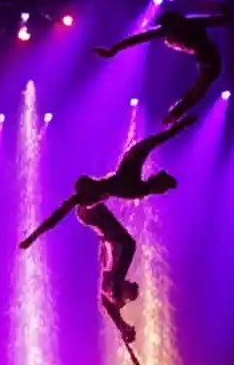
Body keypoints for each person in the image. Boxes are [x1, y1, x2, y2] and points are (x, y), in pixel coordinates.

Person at [18, 116, 195, 344]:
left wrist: (177, 129)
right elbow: (55, 218)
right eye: (160, 189)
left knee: (123, 247)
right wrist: (32, 238)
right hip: (91, 216)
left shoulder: (127, 177)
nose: (157, 193)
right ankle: (117, 293)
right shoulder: (93, 196)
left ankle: (116, 299)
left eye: (160, 189)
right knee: (127, 244)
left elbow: (147, 145)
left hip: (100, 218)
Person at [94, 3, 230, 126]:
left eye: (172, 28)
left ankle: (176, 113)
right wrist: (113, 50)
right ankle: (176, 113)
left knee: (202, 85)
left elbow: (219, 20)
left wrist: (224, 12)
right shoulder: (166, 31)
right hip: (202, 54)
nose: (170, 31)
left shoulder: (191, 23)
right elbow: (138, 38)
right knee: (201, 85)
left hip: (207, 55)